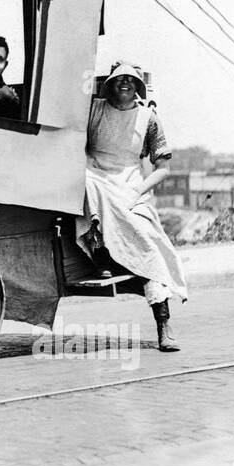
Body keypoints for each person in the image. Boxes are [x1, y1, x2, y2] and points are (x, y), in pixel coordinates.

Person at [76, 62, 187, 352]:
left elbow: (163, 167)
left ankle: (164, 323)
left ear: (137, 85)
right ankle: (101, 255)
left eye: (130, 79)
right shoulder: (94, 110)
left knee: (147, 243)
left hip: (131, 181)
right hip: (96, 172)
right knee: (87, 184)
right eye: (119, 79)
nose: (124, 83)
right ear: (110, 83)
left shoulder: (148, 117)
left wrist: (139, 189)